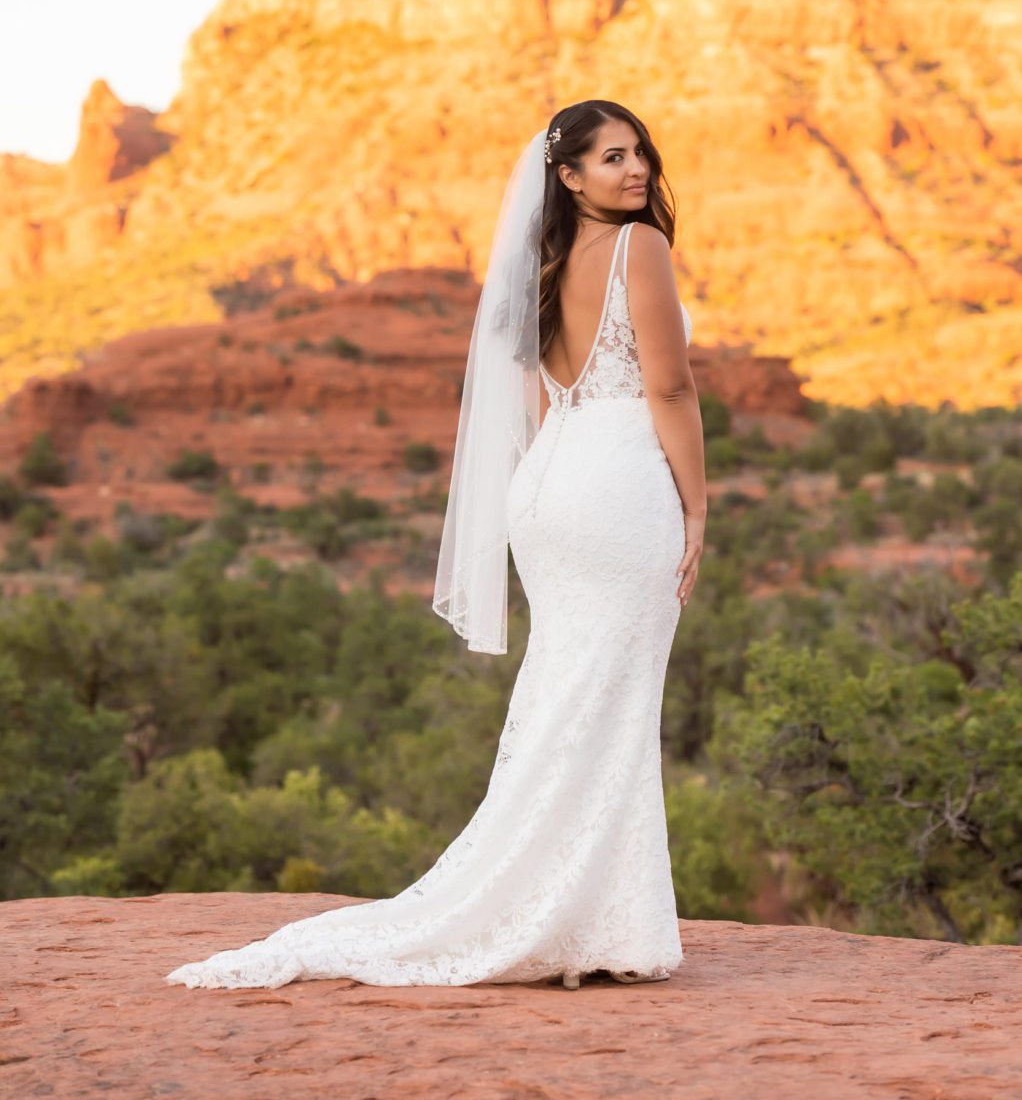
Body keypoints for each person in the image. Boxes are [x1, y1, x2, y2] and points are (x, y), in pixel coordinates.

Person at [166, 99, 707, 992]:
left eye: (640, 152)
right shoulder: (638, 248)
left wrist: (568, 483)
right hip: (619, 484)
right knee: (609, 702)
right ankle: (581, 921)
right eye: (612, 158)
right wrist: (698, 505)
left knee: (564, 696)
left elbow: (539, 396)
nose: (636, 169)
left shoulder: (547, 261)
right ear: (568, 176)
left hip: (547, 488)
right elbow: (672, 388)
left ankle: (568, 912)